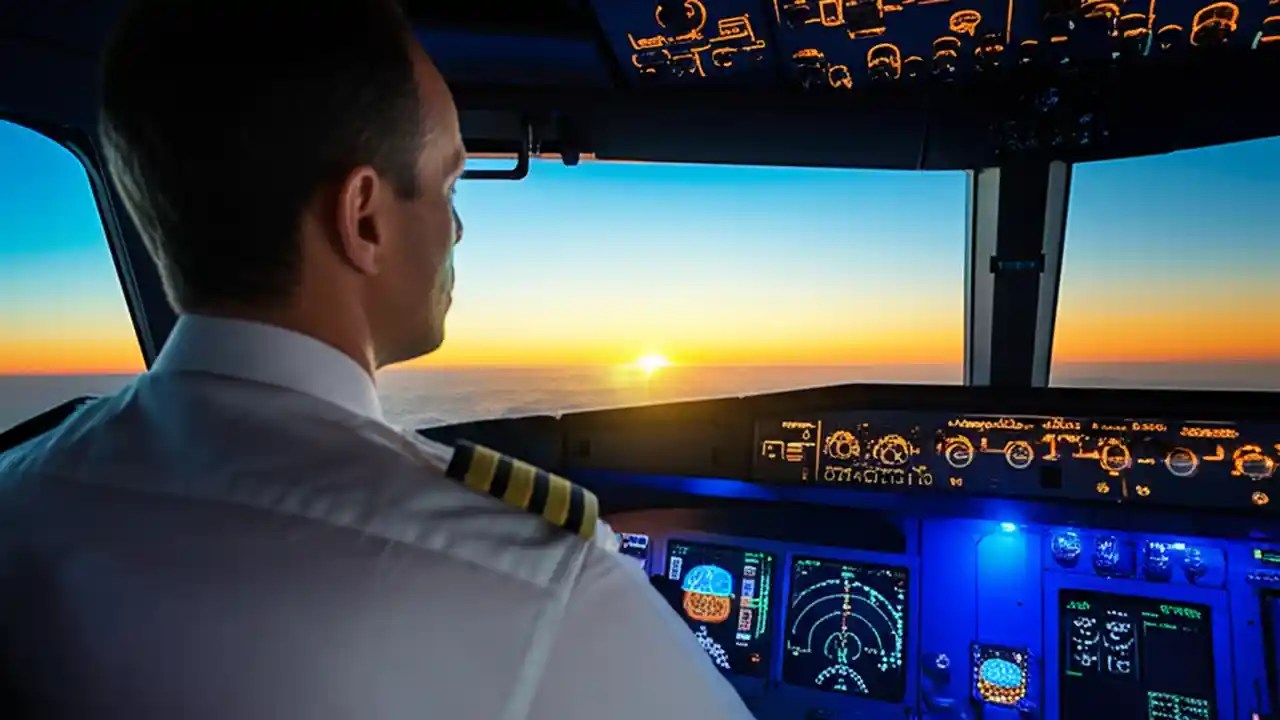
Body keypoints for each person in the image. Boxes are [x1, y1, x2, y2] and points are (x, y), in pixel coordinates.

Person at [0, 1, 756, 718]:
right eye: (448, 182)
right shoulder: (543, 587)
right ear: (363, 217)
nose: (457, 229)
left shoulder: (21, 493)